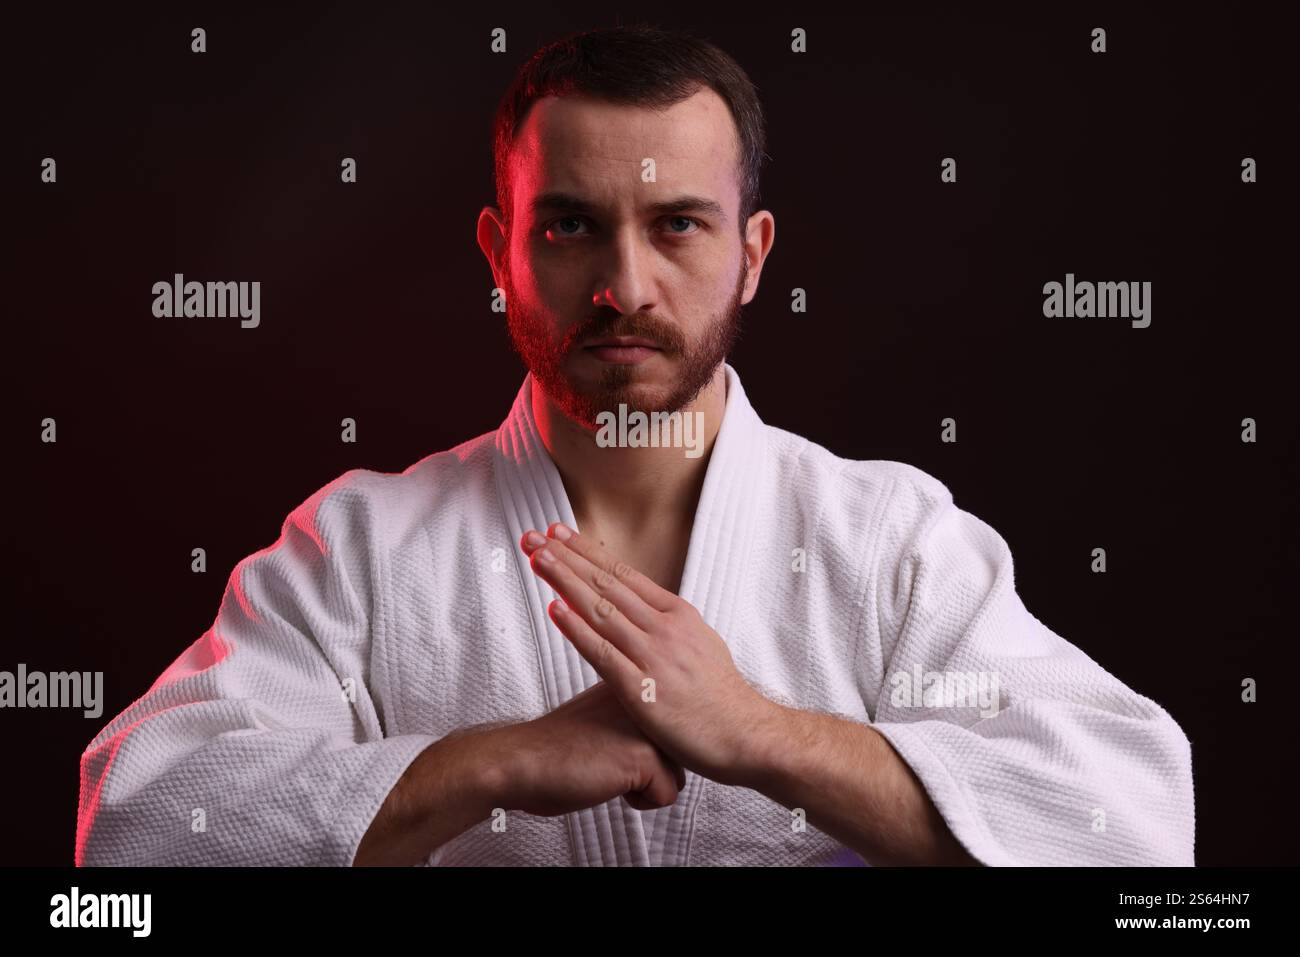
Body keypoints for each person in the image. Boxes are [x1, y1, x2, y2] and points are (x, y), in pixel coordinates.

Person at [76, 24, 1195, 867]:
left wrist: (763, 734)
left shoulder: (888, 542)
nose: (624, 285)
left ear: (752, 254)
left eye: (677, 225)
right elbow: (134, 824)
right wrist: (492, 761)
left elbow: (1135, 823)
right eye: (570, 225)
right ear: (499, 253)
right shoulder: (360, 546)